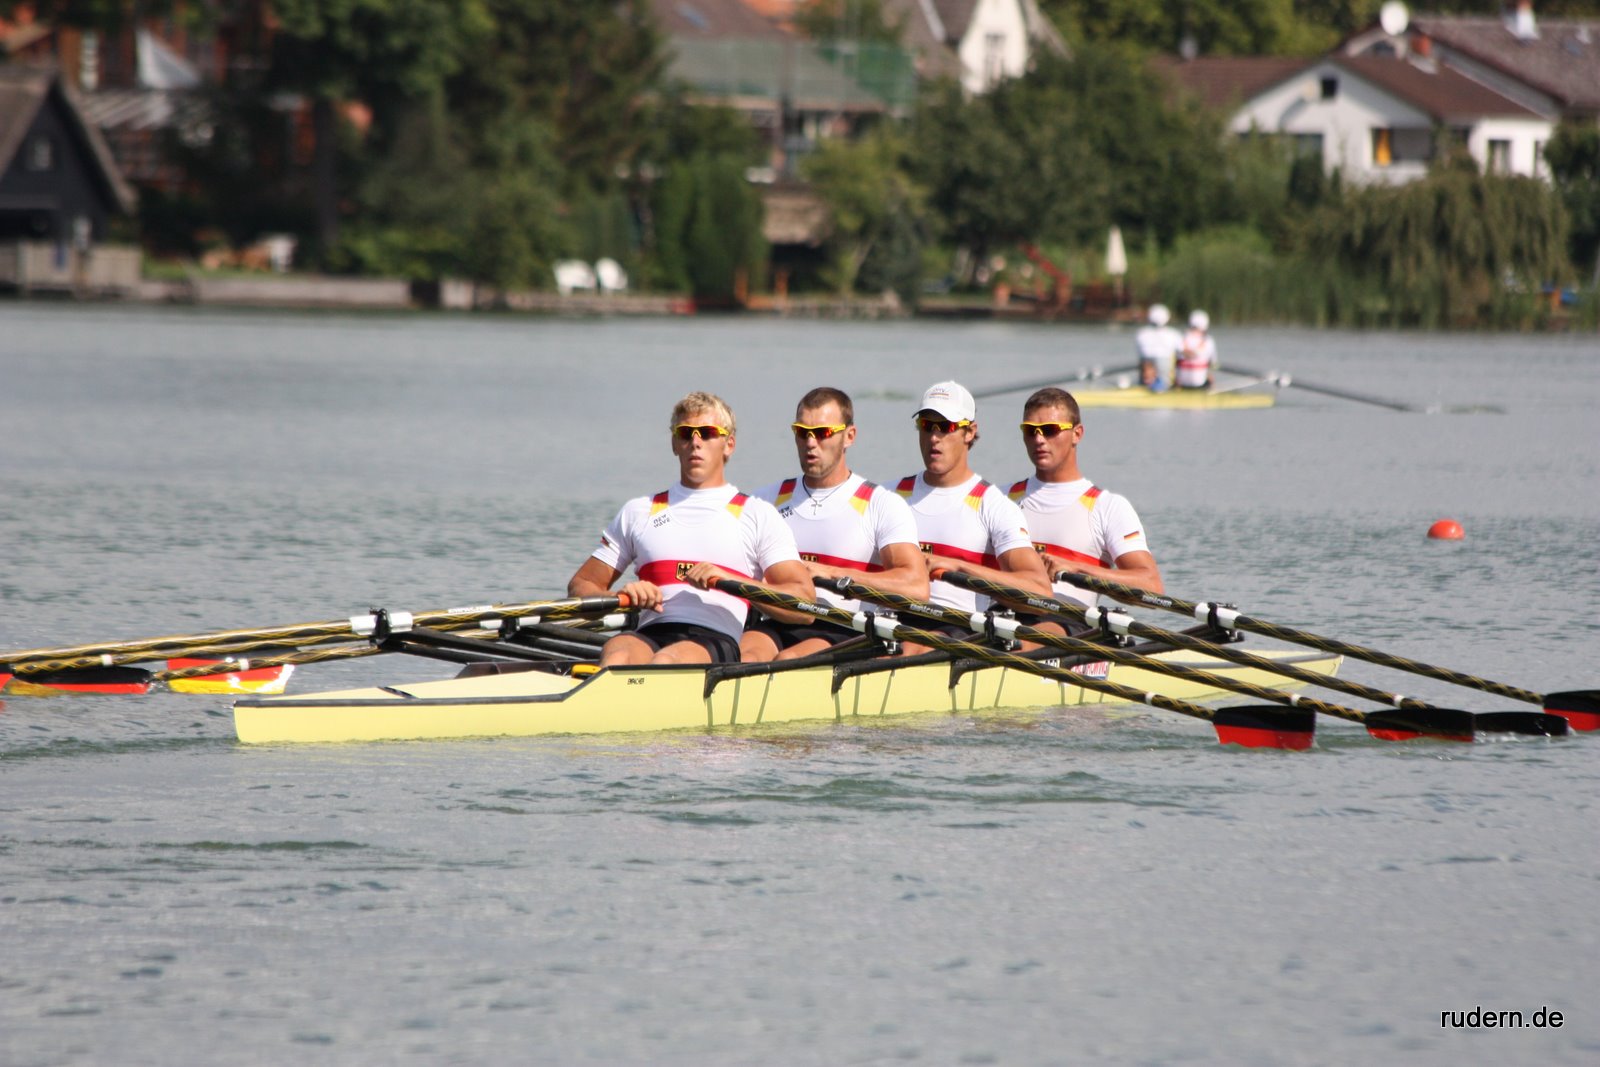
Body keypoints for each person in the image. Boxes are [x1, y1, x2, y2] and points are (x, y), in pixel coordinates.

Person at [567, 391, 816, 666]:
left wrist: (733, 583)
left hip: (715, 639)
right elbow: (581, 585)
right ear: (675, 443)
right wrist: (620, 596)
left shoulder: (756, 514)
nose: (695, 442)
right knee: (617, 652)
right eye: (686, 433)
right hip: (649, 632)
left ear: (729, 444)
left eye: (707, 433)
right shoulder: (639, 511)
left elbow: (804, 604)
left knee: (667, 660)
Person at [742, 387, 928, 662]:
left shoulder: (880, 504)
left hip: (846, 627)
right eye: (802, 432)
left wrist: (831, 573)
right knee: (744, 656)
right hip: (778, 620)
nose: (810, 443)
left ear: (849, 436)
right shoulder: (765, 501)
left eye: (822, 433)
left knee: (788, 660)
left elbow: (917, 588)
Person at [893, 381, 1052, 649]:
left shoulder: (993, 506)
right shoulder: (889, 496)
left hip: (956, 630)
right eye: (926, 426)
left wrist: (956, 566)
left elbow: (1040, 592)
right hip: (889, 622)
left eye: (945, 427)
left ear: (970, 432)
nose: (934, 437)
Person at [1009, 388, 1162, 627]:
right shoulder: (999, 498)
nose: (1039, 439)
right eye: (1030, 431)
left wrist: (1076, 568)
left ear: (1077, 434)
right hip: (1001, 616)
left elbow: (1151, 587)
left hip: (1065, 624)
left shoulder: (1107, 507)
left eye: (1050, 430)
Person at [1135, 303, 1183, 392]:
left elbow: (1139, 354)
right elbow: (1183, 357)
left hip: (1146, 372)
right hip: (1165, 374)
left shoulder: (1141, 334)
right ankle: (1169, 387)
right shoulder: (1174, 334)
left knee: (1146, 365)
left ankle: (1145, 387)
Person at [1176, 309, 1218, 390]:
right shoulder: (1209, 341)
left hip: (1181, 384)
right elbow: (1213, 363)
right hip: (1200, 384)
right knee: (1210, 375)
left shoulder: (1180, 338)